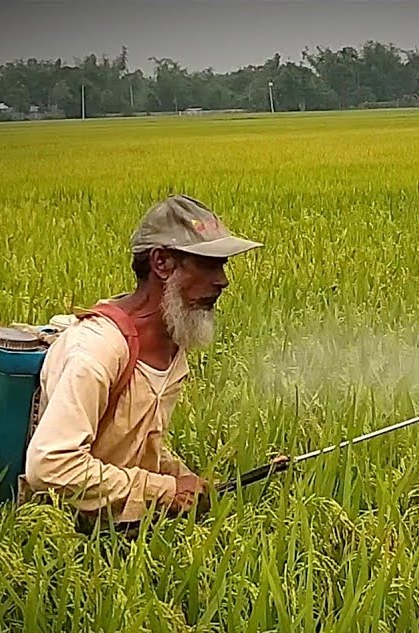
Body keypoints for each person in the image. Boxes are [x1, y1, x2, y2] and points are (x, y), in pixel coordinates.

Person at [21, 194, 261, 530]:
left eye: (222, 265)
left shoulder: (171, 347)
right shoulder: (98, 349)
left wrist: (181, 479)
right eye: (208, 264)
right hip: (57, 528)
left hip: (111, 528)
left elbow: (131, 444)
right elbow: (49, 466)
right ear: (161, 263)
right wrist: (163, 490)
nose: (223, 280)